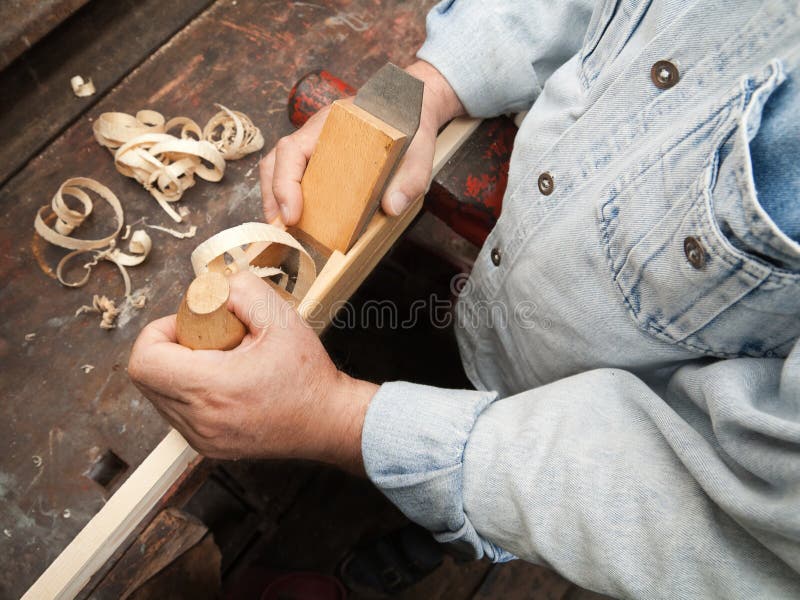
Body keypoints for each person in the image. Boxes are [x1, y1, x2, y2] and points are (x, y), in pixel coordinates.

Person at [129, 1, 800, 597]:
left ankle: (453, 541)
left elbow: (737, 520)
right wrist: (426, 88)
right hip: (497, 317)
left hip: (603, 455)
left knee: (492, 518)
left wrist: (335, 420)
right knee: (464, 390)